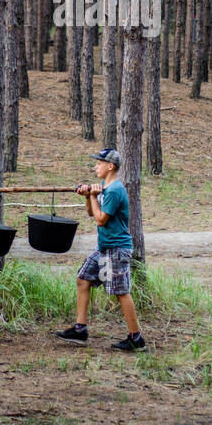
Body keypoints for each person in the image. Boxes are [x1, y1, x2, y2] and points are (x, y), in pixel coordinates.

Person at [55, 148, 146, 351]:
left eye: (99, 163)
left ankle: (136, 338)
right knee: (83, 279)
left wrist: (95, 196)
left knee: (121, 292)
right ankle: (80, 329)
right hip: (104, 247)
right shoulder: (105, 186)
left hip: (117, 248)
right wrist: (88, 196)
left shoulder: (114, 190)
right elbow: (91, 212)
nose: (95, 166)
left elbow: (101, 220)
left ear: (110, 166)